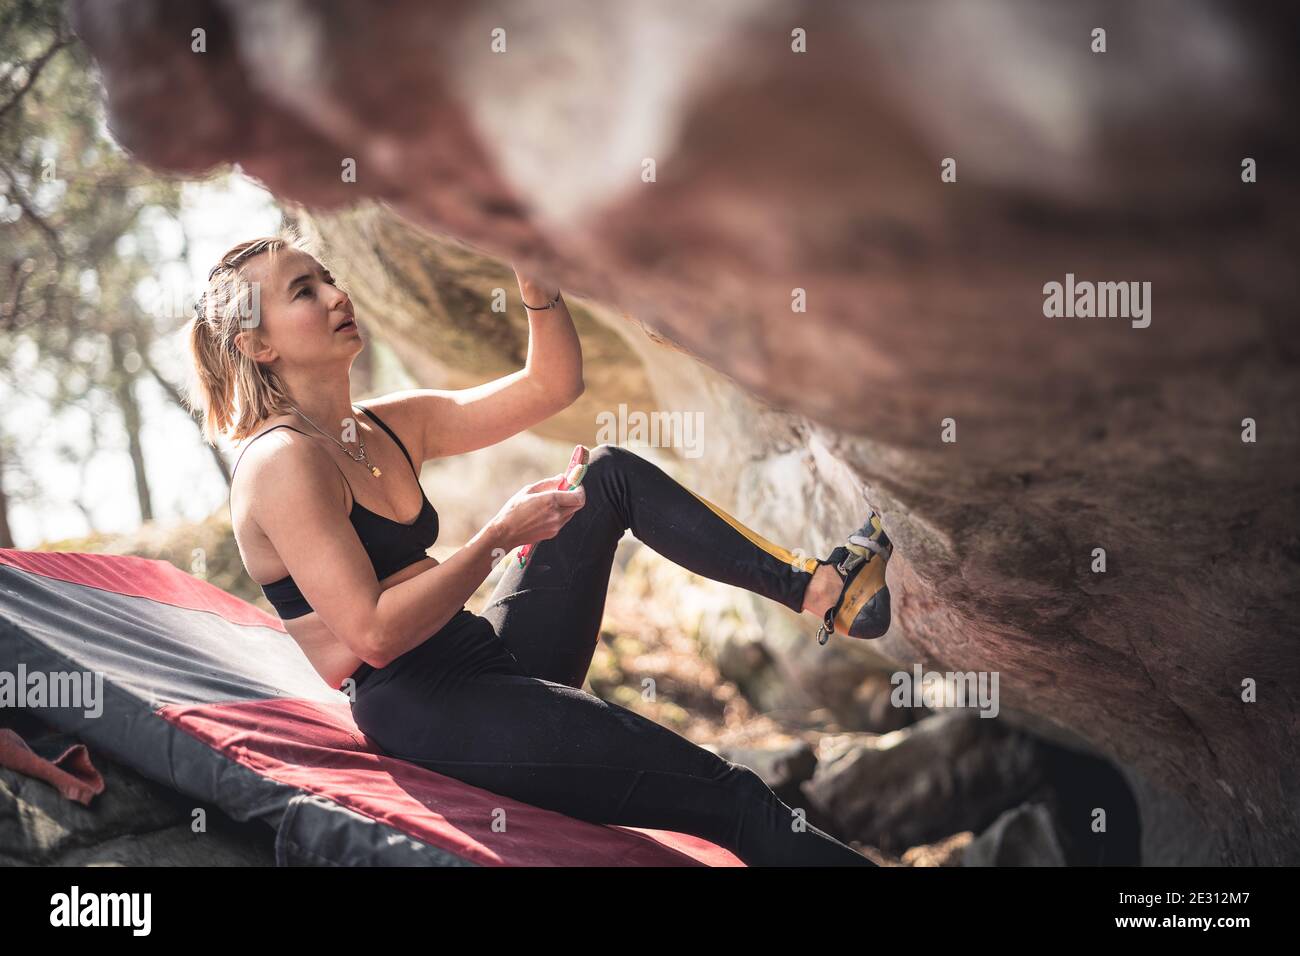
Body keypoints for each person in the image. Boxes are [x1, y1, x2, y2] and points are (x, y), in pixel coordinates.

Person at [186, 234, 894, 866]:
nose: (339, 295)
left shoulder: (387, 425)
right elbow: (373, 633)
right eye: (304, 292)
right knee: (732, 795)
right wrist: (495, 539)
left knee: (606, 477)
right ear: (258, 344)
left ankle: (819, 589)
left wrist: (539, 292)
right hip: (428, 708)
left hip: (485, 657)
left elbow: (552, 387)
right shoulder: (280, 463)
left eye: (328, 276)